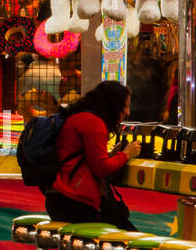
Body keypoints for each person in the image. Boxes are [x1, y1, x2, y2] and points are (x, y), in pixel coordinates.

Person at [46, 81, 141, 227]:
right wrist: (126, 155)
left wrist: (112, 155)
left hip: (61, 198)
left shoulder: (80, 117)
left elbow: (87, 159)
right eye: (125, 106)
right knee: (126, 237)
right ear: (114, 105)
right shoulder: (93, 123)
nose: (127, 112)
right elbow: (101, 168)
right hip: (75, 201)